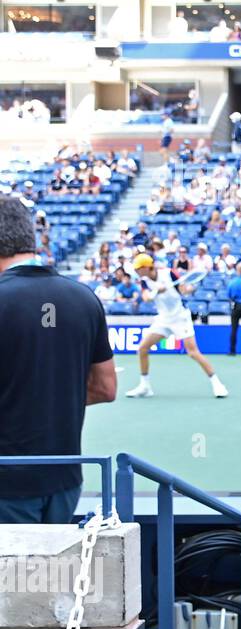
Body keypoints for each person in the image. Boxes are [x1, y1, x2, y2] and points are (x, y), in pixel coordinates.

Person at [0, 198, 116, 523]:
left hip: (7, 485)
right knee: (53, 574)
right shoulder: (83, 297)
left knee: (14, 575)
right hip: (65, 480)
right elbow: (106, 388)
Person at [124, 253, 228, 398]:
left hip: (180, 317)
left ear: (147, 267)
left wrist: (190, 288)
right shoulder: (144, 281)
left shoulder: (169, 273)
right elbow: (146, 298)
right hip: (163, 320)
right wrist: (157, 291)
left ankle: (217, 384)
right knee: (142, 348)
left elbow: (184, 290)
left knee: (193, 352)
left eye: (138, 268)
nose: (136, 271)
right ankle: (145, 386)